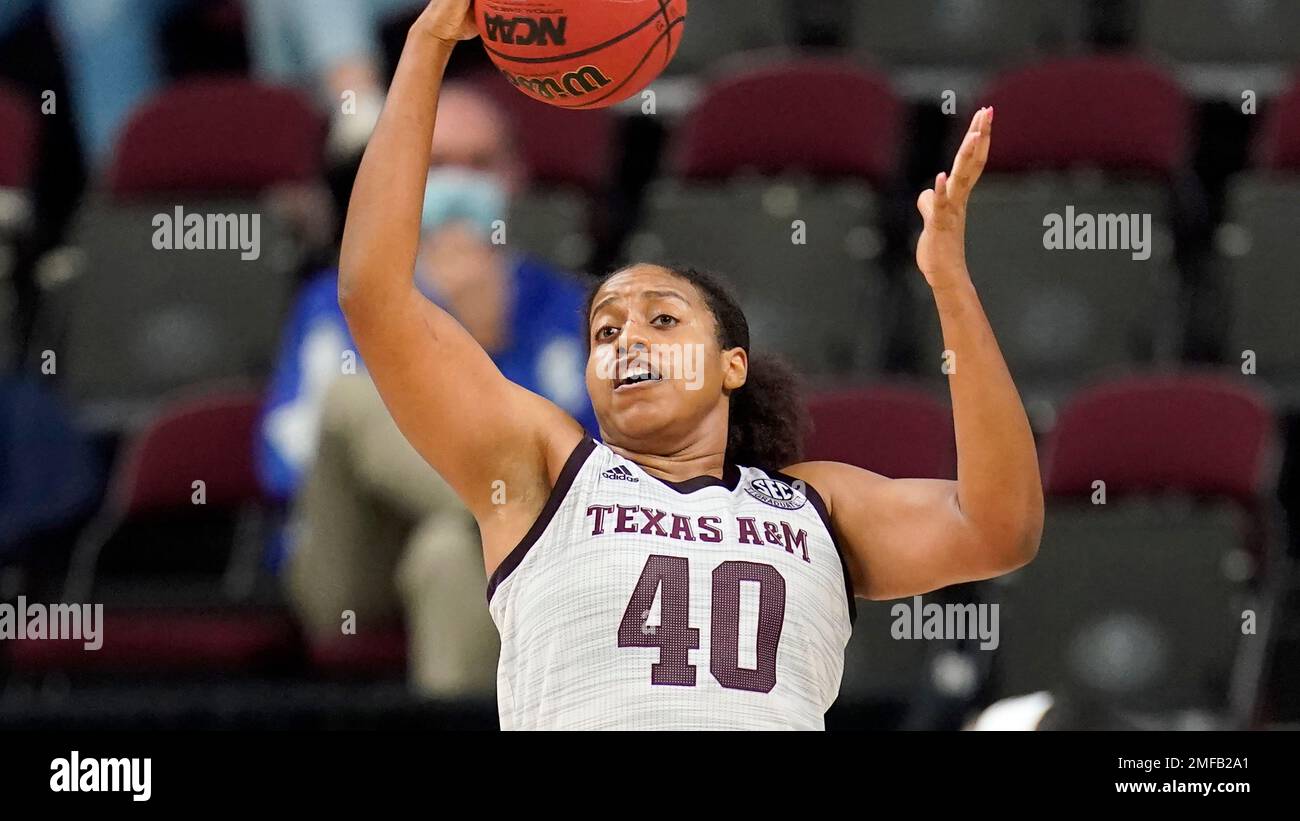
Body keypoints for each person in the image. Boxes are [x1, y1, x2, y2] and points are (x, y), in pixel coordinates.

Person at [339, 0, 1044, 730]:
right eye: (605, 331)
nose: (627, 341)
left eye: (663, 319)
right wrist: (426, 46)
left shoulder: (813, 506)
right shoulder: (544, 474)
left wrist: (952, 288)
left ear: (730, 366)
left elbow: (999, 526)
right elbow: (375, 296)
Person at [260, 82, 596, 697]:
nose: (458, 184)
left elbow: (586, 468)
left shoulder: (564, 308)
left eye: (479, 164)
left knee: (446, 553)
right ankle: (498, 510)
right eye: (436, 165)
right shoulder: (339, 301)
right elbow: (287, 462)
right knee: (349, 398)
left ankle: (490, 518)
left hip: (483, 558)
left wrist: (491, 345)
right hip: (353, 558)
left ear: (515, 176)